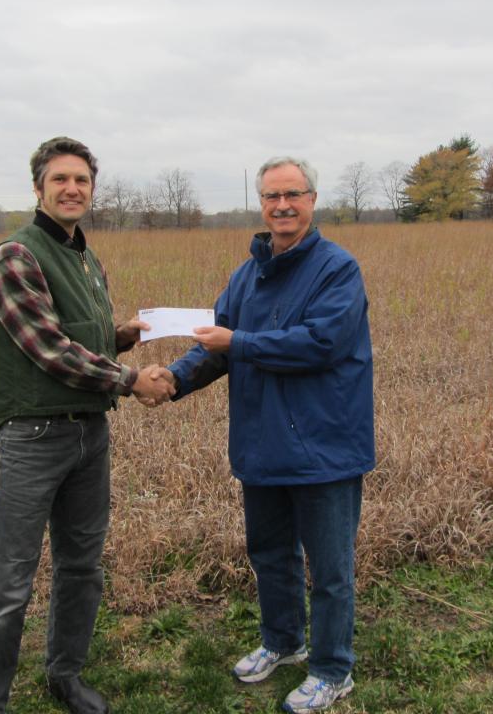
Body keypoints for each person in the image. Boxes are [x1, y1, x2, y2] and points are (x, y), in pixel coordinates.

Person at [151, 156, 375, 713]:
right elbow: (214, 345)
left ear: (312, 200)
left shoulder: (337, 270)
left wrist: (239, 343)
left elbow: (318, 344)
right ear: (261, 204)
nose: (283, 205)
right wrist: (173, 379)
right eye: (272, 196)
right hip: (261, 443)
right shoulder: (247, 275)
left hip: (324, 447)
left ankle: (332, 669)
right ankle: (284, 642)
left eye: (293, 194)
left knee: (329, 569)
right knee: (271, 554)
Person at [0, 136, 175, 714]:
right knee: (8, 586)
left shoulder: (85, 257)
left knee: (81, 566)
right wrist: (130, 378)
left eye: (81, 180)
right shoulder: (15, 256)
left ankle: (65, 675)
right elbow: (49, 349)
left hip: (89, 435)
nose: (72, 188)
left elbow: (83, 337)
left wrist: (123, 335)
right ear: (38, 188)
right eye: (60, 179)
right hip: (32, 438)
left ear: (92, 190)